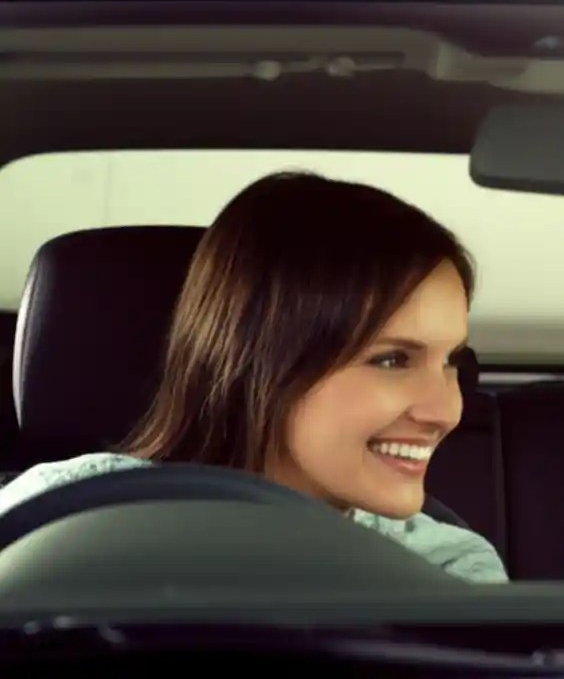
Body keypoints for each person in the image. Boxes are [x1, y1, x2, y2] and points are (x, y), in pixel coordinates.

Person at [0, 171, 507, 583]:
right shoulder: (42, 520)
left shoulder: (448, 573)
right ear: (264, 359)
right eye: (393, 360)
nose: (444, 411)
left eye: (451, 362)